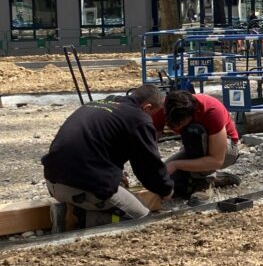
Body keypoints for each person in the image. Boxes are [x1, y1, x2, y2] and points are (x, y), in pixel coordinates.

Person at [41, 84, 173, 231]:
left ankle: (70, 210)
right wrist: (165, 189)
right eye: (154, 113)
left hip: (53, 181)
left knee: (116, 196)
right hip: (81, 188)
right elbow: (148, 166)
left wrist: (116, 173)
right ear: (147, 107)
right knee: (142, 219)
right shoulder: (138, 117)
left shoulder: (98, 104)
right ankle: (80, 217)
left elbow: (95, 146)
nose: (152, 118)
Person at [153, 90, 241, 198]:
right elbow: (150, 143)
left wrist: (175, 165)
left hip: (226, 150)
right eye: (170, 123)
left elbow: (217, 160)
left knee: (193, 131)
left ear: (192, 113)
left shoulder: (211, 111)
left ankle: (203, 183)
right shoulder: (165, 108)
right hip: (195, 149)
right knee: (166, 182)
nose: (175, 127)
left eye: (179, 124)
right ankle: (215, 178)